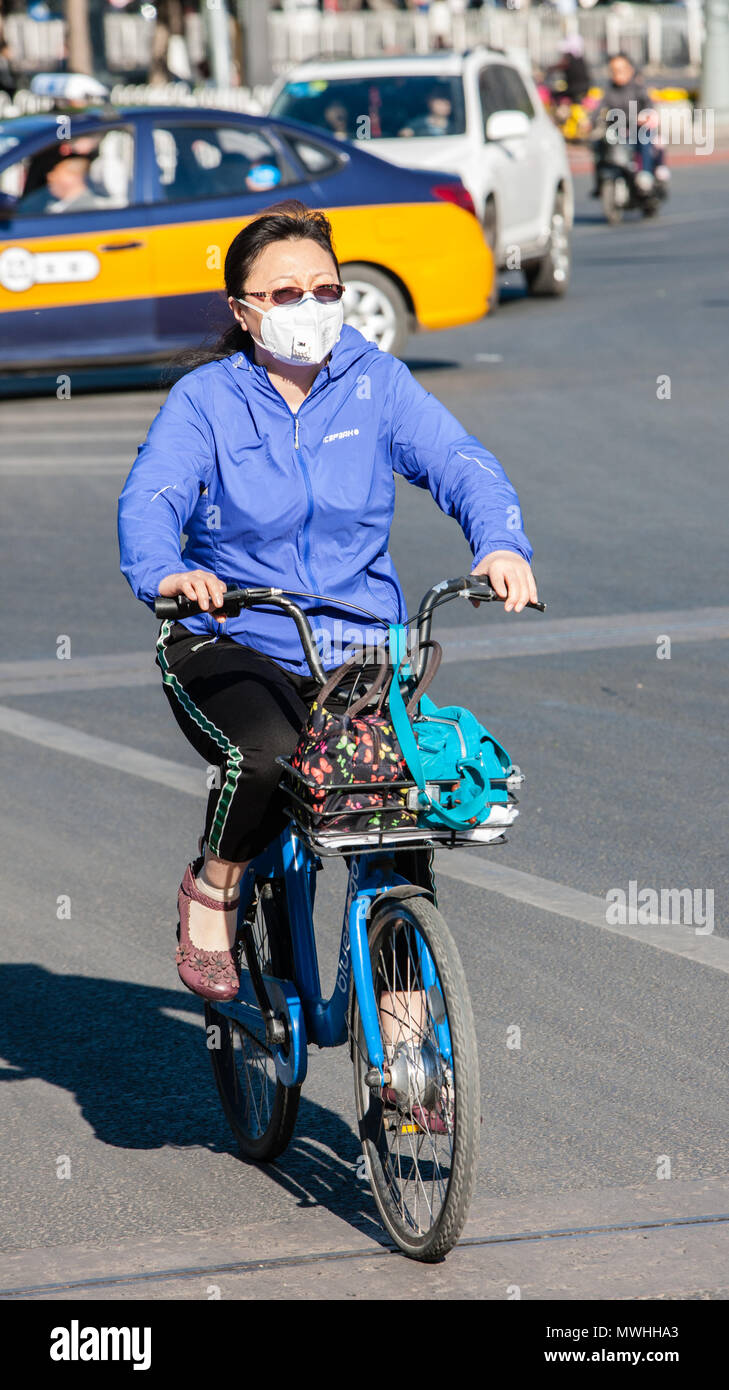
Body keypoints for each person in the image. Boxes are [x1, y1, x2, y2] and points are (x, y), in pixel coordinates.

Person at [117, 200, 538, 1006]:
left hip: (355, 646)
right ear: (241, 311)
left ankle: (409, 1030)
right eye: (281, 294)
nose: (307, 307)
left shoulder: (376, 382)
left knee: (392, 813)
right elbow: (152, 496)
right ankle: (213, 889)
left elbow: (458, 461)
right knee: (268, 754)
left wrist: (499, 541)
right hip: (229, 633)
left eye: (323, 287)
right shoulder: (207, 399)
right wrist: (166, 571)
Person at [591, 52, 668, 198]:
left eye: (621, 70)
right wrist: (589, 122)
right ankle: (600, 182)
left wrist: (645, 117)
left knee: (644, 137)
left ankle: (645, 173)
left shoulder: (638, 88)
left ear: (629, 70)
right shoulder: (609, 91)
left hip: (638, 130)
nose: (617, 74)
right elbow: (598, 108)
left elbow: (649, 106)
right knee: (599, 145)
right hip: (618, 131)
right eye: (613, 70)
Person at [19, 152, 108, 214]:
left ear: (73, 177)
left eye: (56, 172)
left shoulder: (86, 211)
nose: (50, 176)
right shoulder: (55, 205)